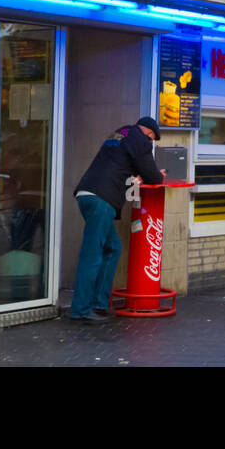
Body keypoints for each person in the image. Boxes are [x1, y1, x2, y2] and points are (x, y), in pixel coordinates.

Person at [69, 116, 167, 323]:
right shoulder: (140, 140)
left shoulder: (121, 133)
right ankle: (81, 310)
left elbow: (119, 163)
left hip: (87, 194)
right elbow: (153, 176)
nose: (150, 143)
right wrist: (159, 174)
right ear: (150, 134)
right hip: (101, 199)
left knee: (113, 247)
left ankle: (99, 303)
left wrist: (135, 176)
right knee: (92, 255)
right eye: (152, 140)